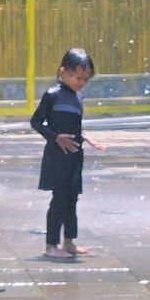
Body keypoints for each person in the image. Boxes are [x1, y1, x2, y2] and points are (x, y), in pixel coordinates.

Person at [30, 47, 104, 260]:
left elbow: (75, 127)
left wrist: (86, 137)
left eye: (85, 79)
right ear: (63, 72)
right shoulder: (52, 95)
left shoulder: (78, 97)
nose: (81, 83)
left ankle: (69, 241)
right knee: (59, 199)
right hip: (57, 156)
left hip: (74, 156)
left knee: (72, 199)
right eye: (77, 77)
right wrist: (56, 137)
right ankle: (50, 245)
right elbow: (35, 122)